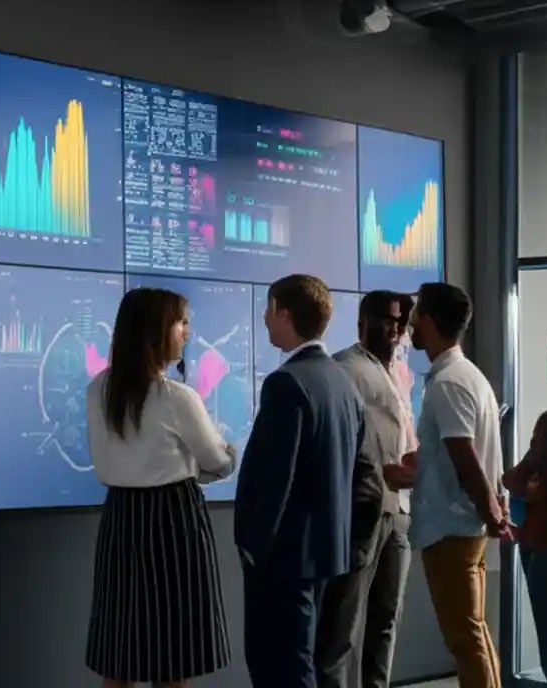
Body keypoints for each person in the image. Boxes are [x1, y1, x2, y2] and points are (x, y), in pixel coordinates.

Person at [84, 287, 238, 688]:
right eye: (181, 322)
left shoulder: (98, 390)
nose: (187, 332)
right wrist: (222, 456)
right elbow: (218, 462)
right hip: (174, 523)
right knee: (173, 652)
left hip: (120, 519)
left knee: (118, 652)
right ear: (155, 330)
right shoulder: (177, 397)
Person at [235, 274, 364, 688]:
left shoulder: (286, 383)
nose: (263, 318)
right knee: (302, 661)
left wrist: (253, 546)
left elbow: (276, 477)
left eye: (269, 309)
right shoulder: (343, 381)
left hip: (285, 559)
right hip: (326, 552)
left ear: (284, 314)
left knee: (280, 668)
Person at [384, 282, 511, 688]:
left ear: (430, 321)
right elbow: (462, 454)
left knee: (464, 639)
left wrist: (491, 511)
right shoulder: (466, 376)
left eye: (415, 315)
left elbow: (465, 457)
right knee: (474, 633)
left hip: (451, 530)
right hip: (464, 526)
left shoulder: (447, 383)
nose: (408, 325)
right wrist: (418, 468)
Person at [316, 291, 415, 688]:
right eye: (387, 319)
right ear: (363, 323)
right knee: (343, 623)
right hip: (362, 513)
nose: (395, 328)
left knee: (386, 620)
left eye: (400, 321)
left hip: (398, 512)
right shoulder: (346, 368)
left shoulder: (399, 372)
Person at [502, 341, 547, 673]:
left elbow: (518, 479)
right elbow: (521, 479)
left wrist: (530, 485)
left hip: (544, 544)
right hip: (538, 539)